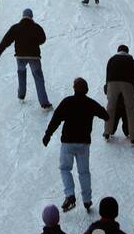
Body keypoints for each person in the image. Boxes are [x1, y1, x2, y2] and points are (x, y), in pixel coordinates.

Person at [43, 78, 109, 212]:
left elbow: (56, 119)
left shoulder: (67, 102)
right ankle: (87, 199)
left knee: (65, 169)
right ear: (86, 90)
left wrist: (47, 135)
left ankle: (70, 195)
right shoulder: (90, 103)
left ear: (74, 89)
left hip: (68, 142)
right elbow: (105, 115)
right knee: (84, 172)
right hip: (83, 143)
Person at [0, 8, 50, 108]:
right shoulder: (37, 27)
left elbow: (5, 42)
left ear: (23, 16)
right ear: (31, 17)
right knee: (38, 77)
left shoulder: (16, 27)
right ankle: (44, 104)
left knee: (21, 73)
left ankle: (21, 95)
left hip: (20, 56)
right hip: (34, 56)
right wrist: (36, 42)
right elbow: (43, 39)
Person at [103, 45, 134, 145]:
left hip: (112, 83)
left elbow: (107, 75)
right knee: (131, 109)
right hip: (127, 84)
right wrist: (132, 88)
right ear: (127, 51)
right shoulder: (131, 60)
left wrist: (107, 87)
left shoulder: (112, 59)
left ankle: (107, 132)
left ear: (118, 51)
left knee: (110, 108)